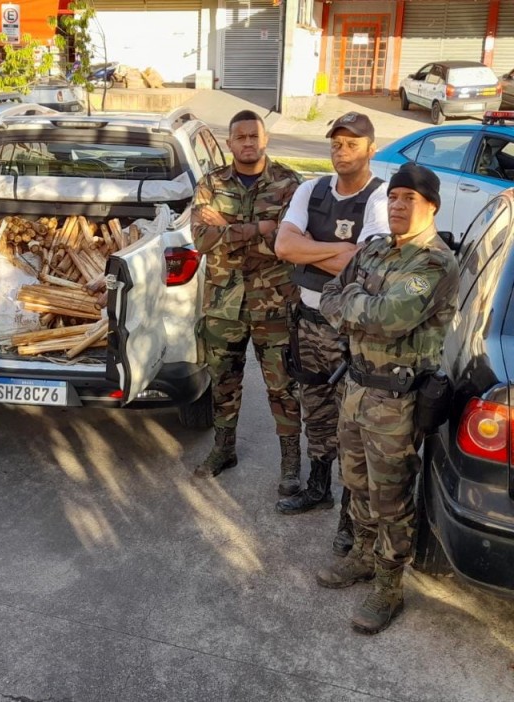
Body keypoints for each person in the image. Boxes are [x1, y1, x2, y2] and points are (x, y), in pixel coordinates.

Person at [317, 162, 458, 635]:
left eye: (409, 199)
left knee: (391, 497)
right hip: (356, 387)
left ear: (431, 206)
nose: (397, 205)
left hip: (397, 401)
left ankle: (389, 586)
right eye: (393, 197)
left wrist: (353, 301)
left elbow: (390, 318)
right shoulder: (375, 248)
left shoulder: (434, 263)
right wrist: (359, 303)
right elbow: (328, 295)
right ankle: (362, 554)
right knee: (355, 482)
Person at [273, 112, 389, 557]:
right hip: (307, 320)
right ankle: (318, 488)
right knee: (316, 410)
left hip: (349, 331)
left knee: (351, 425)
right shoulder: (312, 189)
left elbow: (366, 266)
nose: (342, 151)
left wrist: (311, 251)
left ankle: (349, 516)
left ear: (370, 148)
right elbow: (284, 246)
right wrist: (340, 251)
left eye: (352, 144)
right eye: (336, 143)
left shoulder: (379, 198)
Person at [191, 109, 303, 495]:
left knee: (283, 386)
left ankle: (291, 462)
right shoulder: (211, 183)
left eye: (254, 136)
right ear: (229, 143)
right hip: (224, 304)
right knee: (223, 380)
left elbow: (286, 244)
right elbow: (201, 240)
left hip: (275, 304)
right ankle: (224, 449)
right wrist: (259, 228)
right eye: (240, 137)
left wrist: (227, 228)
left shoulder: (289, 184)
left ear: (265, 139)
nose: (248, 143)